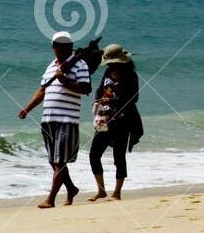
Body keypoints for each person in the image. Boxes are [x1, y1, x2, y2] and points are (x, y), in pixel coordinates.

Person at [18, 31, 92, 208]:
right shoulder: (51, 66)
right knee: (53, 160)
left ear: (71, 47)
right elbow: (43, 90)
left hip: (67, 118)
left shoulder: (80, 64)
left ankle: (50, 199)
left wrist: (65, 81)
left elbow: (85, 88)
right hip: (48, 119)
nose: (61, 49)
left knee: (60, 160)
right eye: (58, 46)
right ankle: (71, 188)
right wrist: (27, 108)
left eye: (65, 46)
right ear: (53, 47)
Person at [88, 44, 143, 201]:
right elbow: (100, 90)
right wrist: (96, 100)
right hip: (103, 118)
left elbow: (134, 98)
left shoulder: (131, 76)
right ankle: (101, 190)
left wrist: (115, 101)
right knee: (94, 154)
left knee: (118, 156)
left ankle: (117, 192)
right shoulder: (107, 72)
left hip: (122, 120)